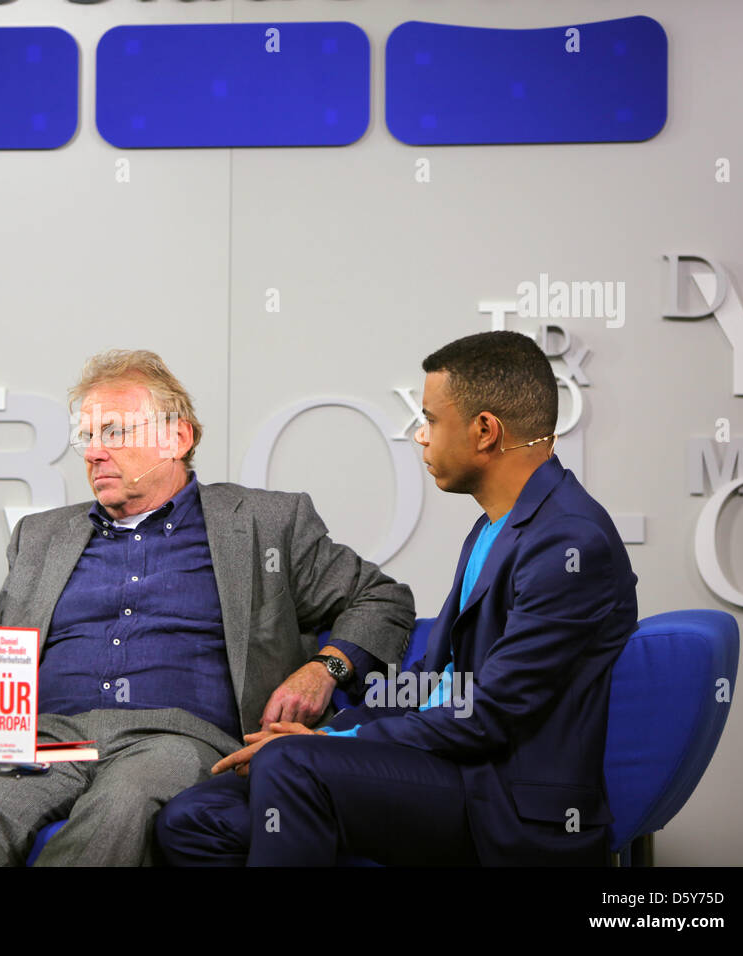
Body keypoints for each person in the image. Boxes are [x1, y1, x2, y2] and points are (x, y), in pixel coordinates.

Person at [156, 330, 639, 866]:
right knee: (192, 818)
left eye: (431, 420)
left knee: (291, 767)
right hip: (449, 773)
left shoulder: (570, 541)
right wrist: (326, 730)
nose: (421, 437)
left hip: (503, 801)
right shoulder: (491, 528)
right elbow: (439, 688)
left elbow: (489, 713)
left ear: (484, 431)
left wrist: (334, 745)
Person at [0, 349, 414, 866]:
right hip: (47, 741)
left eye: (113, 433)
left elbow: (383, 598)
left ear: (176, 438)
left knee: (123, 804)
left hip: (176, 739)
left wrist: (325, 669)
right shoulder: (42, 535)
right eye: (87, 436)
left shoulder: (265, 522)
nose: (94, 452)